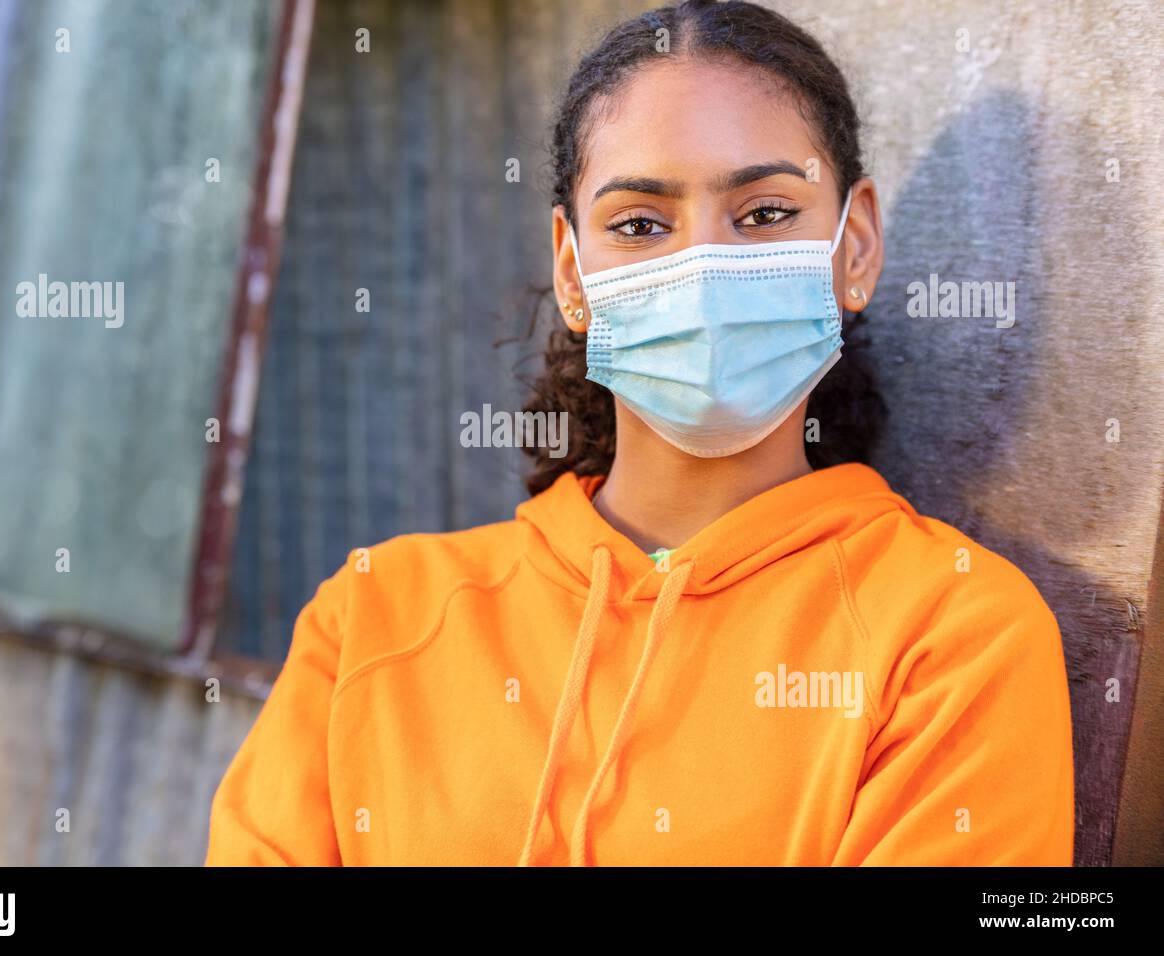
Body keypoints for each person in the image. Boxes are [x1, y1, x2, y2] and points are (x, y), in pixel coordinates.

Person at [205, 0, 1074, 866]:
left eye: (766, 213)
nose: (701, 265)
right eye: (640, 225)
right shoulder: (374, 618)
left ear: (856, 247)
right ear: (571, 270)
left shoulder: (952, 639)